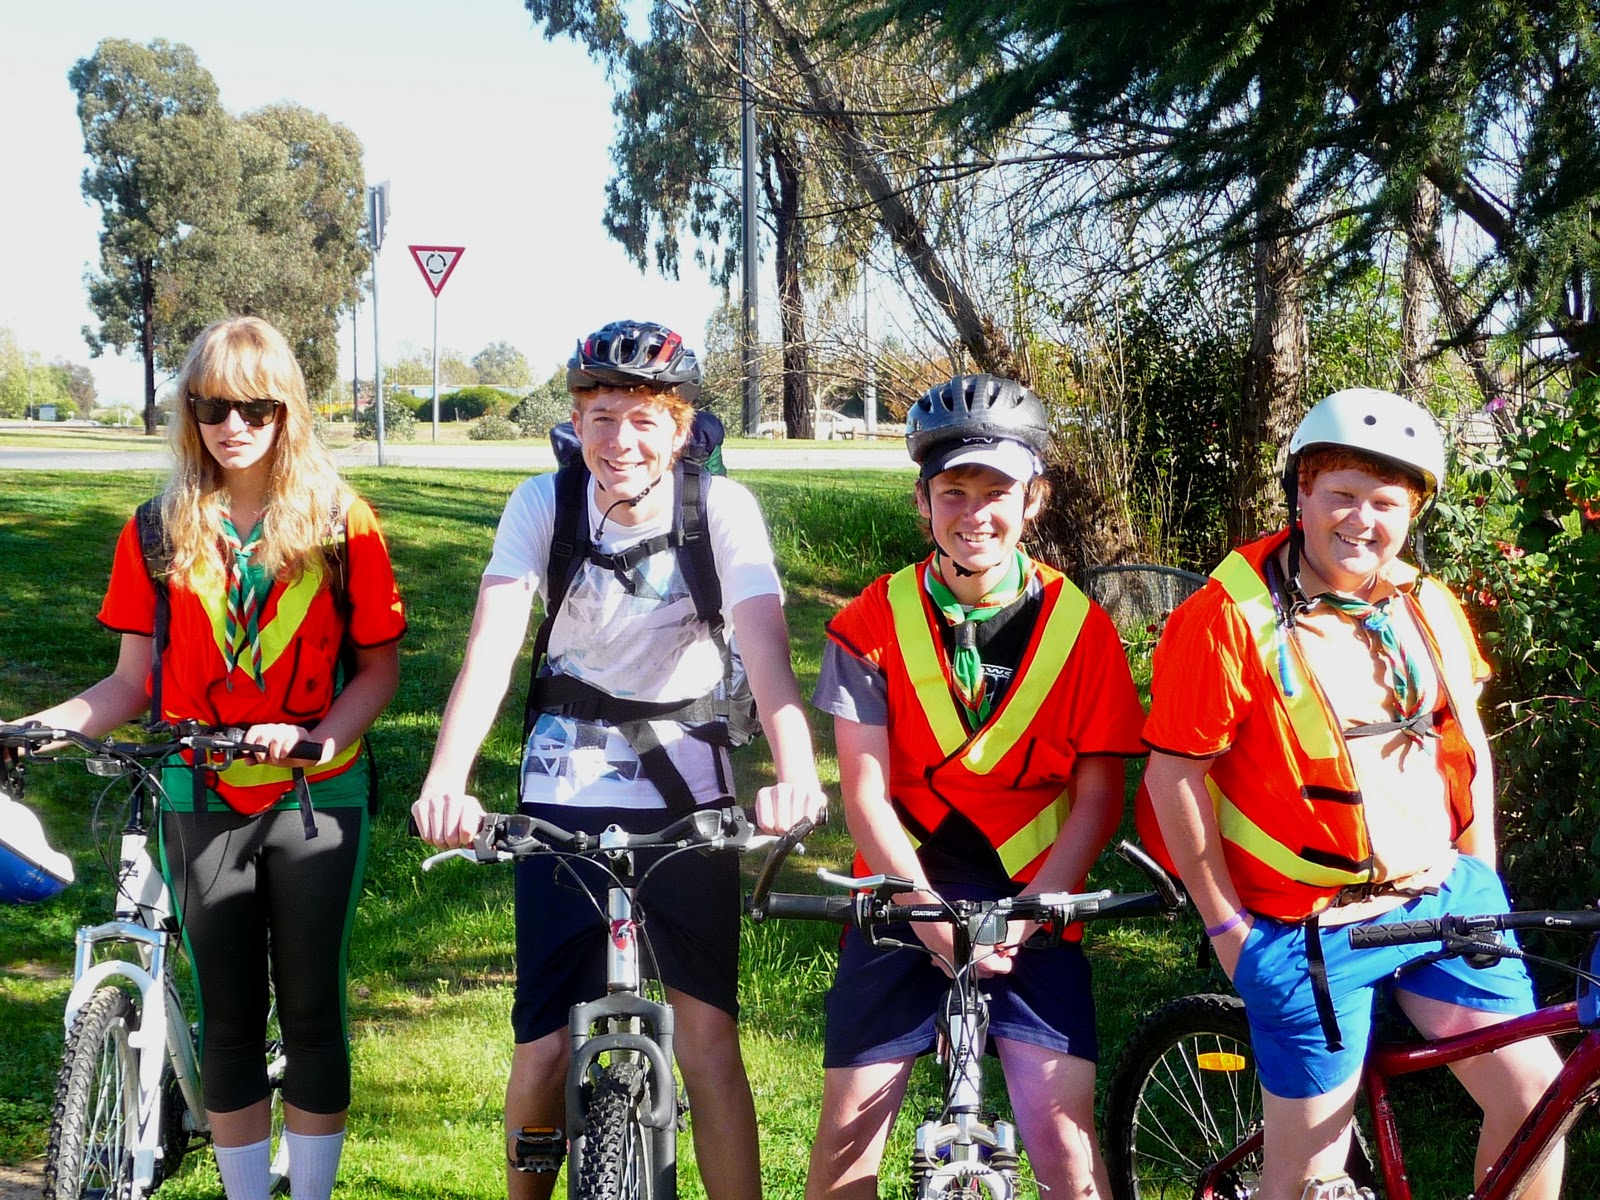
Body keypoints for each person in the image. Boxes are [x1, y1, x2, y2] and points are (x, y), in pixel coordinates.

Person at [410, 319, 827, 1200]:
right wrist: (447, 779)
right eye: (601, 417)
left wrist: (796, 774)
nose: (620, 440)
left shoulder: (721, 510)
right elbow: (491, 648)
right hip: (561, 784)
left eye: (643, 419)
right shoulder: (543, 504)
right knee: (542, 1048)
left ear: (680, 429)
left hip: (688, 790)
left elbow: (768, 654)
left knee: (708, 1042)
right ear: (575, 422)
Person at [1138, 388, 1564, 1200]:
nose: (1361, 521)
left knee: (1539, 1104)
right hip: (1309, 926)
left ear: (1414, 511)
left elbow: (1465, 740)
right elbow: (1172, 776)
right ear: (1301, 492)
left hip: (1445, 896)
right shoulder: (1226, 618)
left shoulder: (1426, 603)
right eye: (1341, 494)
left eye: (1386, 503)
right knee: (1309, 1178)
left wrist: (1482, 873)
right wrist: (1228, 931)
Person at [18, 316, 406, 1200]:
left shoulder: (341, 524)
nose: (233, 426)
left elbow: (379, 669)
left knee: (310, 1009)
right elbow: (131, 683)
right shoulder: (158, 530)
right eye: (211, 406)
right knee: (227, 1015)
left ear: (288, 412)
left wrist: (318, 738)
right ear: (188, 412)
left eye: (255, 408)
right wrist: (43, 725)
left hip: (316, 797)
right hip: (198, 793)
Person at [804, 374, 1145, 1200]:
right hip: (902, 886)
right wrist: (923, 913)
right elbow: (864, 793)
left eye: (997, 491)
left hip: (1037, 891)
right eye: (953, 491)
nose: (974, 513)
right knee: (845, 1146)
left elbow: (1099, 796)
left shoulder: (1083, 627)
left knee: (1064, 1149)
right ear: (922, 501)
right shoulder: (870, 621)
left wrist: (1030, 915)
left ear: (1034, 499)